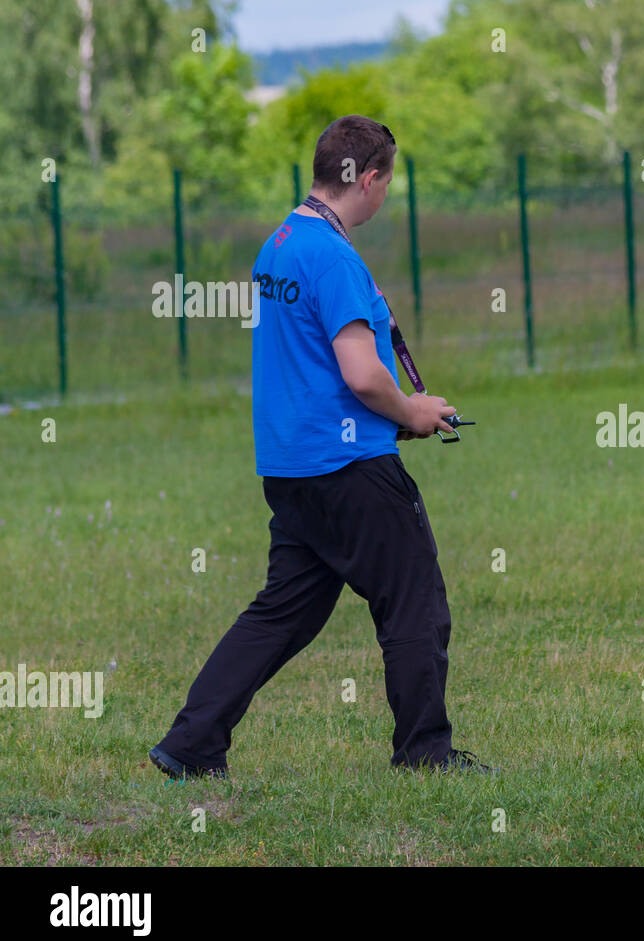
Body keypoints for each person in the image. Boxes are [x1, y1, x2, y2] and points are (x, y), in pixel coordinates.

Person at [149, 115, 494, 778]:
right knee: (414, 598)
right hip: (350, 470)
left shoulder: (279, 244)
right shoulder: (335, 257)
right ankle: (426, 753)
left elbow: (309, 361)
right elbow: (363, 375)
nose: (386, 196)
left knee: (283, 614)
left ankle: (192, 744)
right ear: (365, 179)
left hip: (291, 467)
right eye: (386, 183)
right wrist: (413, 411)